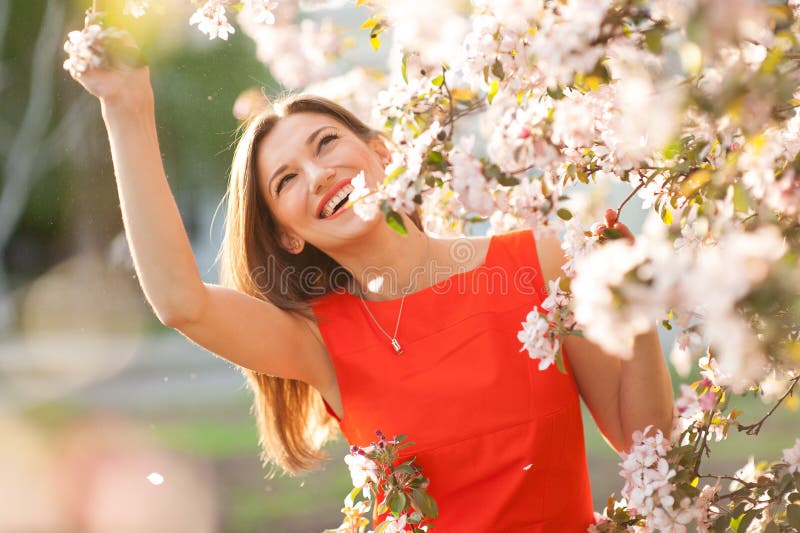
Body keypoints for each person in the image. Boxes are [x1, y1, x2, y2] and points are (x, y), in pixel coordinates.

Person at [70, 53, 674, 531]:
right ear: (287, 234)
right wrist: (127, 106)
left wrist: (636, 309)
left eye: (326, 143)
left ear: (380, 150)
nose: (317, 174)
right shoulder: (320, 342)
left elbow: (642, 437)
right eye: (286, 180)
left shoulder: (540, 261)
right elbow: (181, 302)